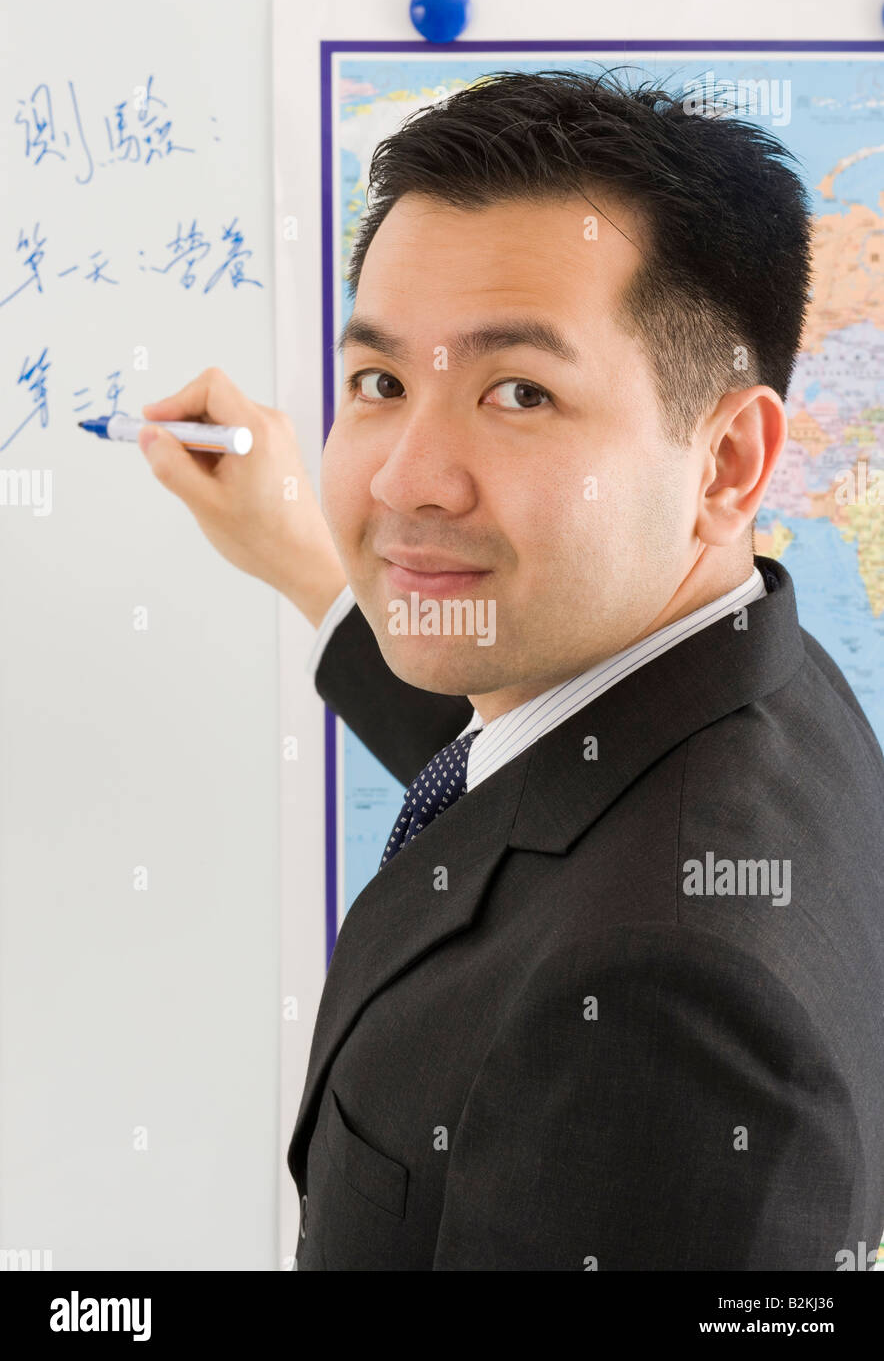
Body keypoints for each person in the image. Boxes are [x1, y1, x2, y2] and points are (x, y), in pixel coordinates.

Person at [137, 69, 884, 1271]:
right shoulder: (758, 678)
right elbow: (535, 789)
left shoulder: (662, 1012)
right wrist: (307, 568)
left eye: (518, 392)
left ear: (725, 462)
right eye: (379, 383)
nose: (401, 481)